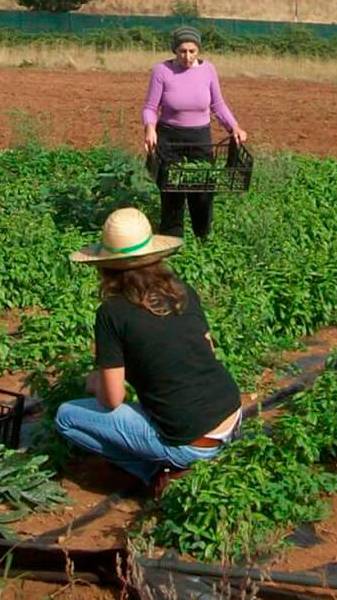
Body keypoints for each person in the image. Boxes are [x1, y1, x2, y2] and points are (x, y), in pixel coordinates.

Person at [54, 207, 242, 493]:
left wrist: (94, 382)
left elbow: (113, 399)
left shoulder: (112, 313)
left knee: (66, 417)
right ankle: (176, 461)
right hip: (232, 416)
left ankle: (152, 474)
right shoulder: (181, 290)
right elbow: (208, 348)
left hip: (192, 442)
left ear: (105, 267)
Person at [141, 25, 248, 240]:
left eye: (192, 51)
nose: (187, 56)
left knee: (202, 190)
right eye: (182, 51)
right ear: (174, 50)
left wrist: (234, 126)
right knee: (172, 191)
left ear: (198, 50)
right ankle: (171, 240)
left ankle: (203, 237)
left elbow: (218, 104)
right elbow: (150, 108)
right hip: (170, 138)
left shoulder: (208, 70)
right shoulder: (162, 71)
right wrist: (150, 128)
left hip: (200, 138)